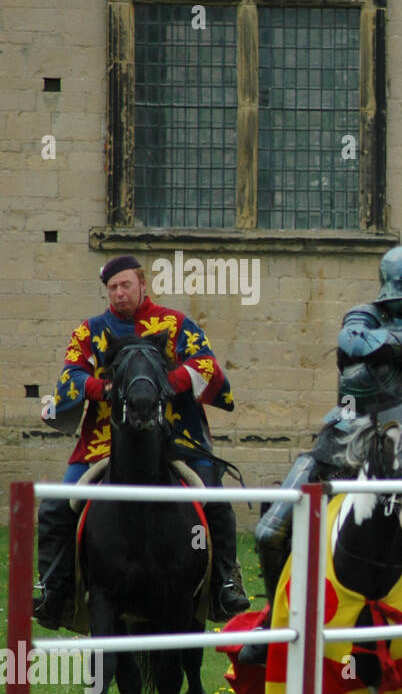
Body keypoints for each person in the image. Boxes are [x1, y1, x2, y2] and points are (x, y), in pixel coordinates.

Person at [248, 202, 402, 668]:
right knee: (269, 530)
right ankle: (275, 621)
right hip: (344, 442)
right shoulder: (366, 318)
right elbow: (355, 347)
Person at [35, 255, 249, 629]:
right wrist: (104, 389)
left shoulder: (176, 323)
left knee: (214, 500)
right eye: (112, 288)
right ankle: (55, 589)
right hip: (104, 444)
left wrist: (166, 385)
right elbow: (71, 376)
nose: (119, 293)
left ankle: (224, 583)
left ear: (142, 285)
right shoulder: (90, 331)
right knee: (56, 507)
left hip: (176, 438)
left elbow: (205, 365)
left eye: (126, 285)